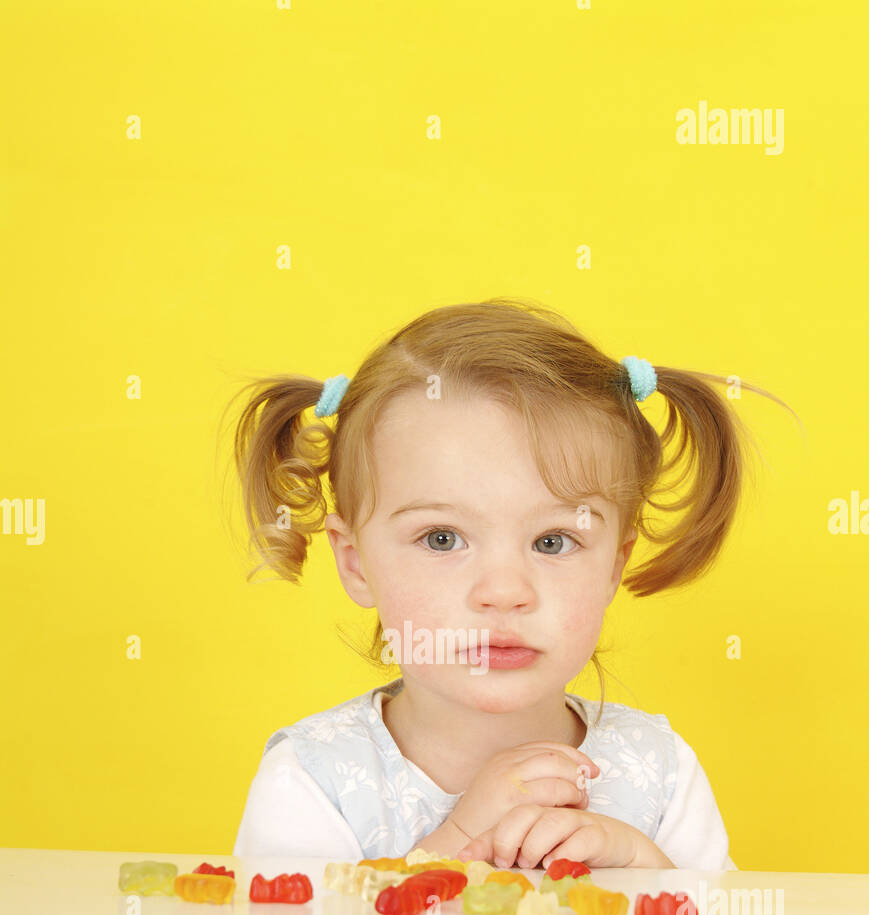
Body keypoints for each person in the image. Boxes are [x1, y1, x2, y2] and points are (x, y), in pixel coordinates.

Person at [227, 298, 792, 870]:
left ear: (613, 568)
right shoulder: (316, 780)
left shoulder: (657, 771)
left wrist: (644, 867)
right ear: (354, 562)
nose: (503, 591)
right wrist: (461, 837)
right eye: (442, 538)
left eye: (552, 542)